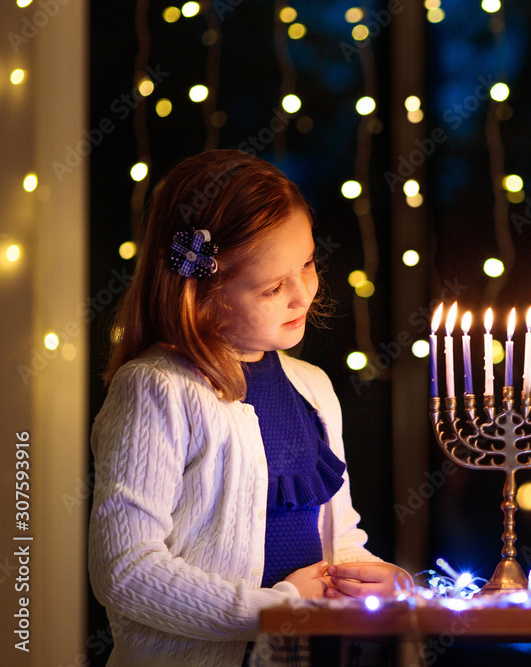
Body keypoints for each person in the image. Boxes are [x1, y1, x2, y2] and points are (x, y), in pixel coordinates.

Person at [89, 149, 411, 666]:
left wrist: (379, 577)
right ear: (200, 293)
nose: (303, 294)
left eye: (307, 264)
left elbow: (337, 539)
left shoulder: (314, 389)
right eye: (272, 287)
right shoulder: (156, 389)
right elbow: (127, 570)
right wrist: (276, 609)